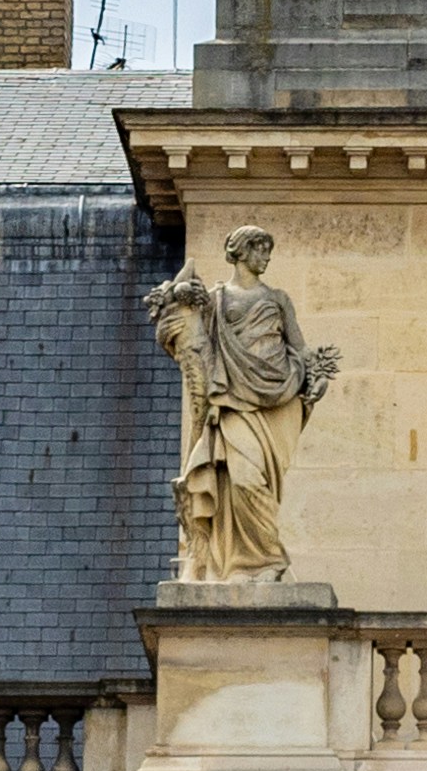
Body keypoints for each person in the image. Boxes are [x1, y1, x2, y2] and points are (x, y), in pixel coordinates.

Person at [147, 220, 344, 582]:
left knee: (258, 482)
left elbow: (300, 351)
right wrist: (177, 303)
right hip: (232, 399)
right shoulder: (217, 299)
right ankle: (257, 562)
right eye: (258, 248)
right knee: (241, 480)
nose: (265, 256)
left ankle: (260, 564)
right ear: (238, 252)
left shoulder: (278, 300)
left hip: (277, 400)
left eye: (267, 250)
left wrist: (316, 380)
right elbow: (180, 337)